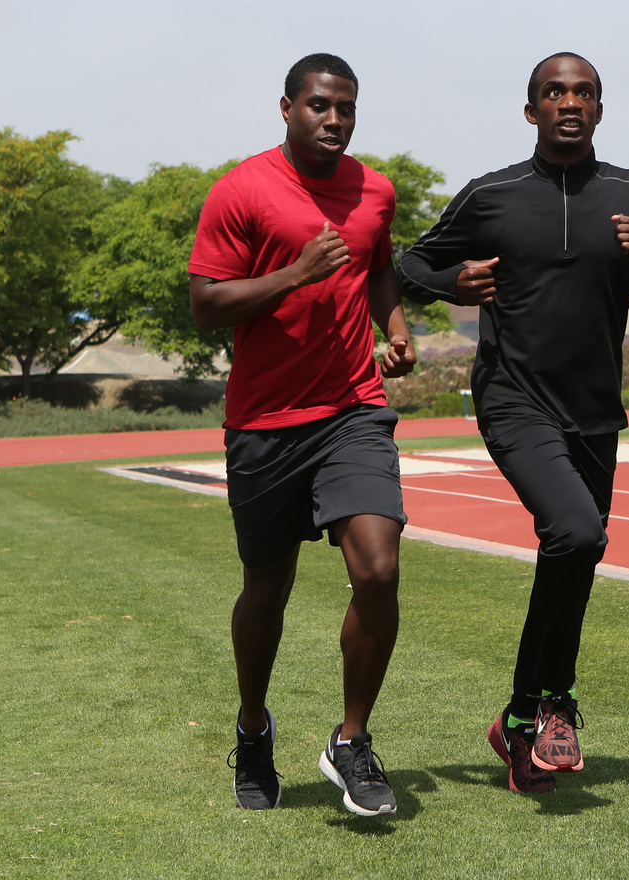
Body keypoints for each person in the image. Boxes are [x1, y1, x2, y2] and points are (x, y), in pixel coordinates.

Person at [398, 51, 629, 794]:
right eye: (554, 92)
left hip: (595, 411)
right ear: (531, 111)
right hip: (513, 398)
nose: (570, 102)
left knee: (576, 554)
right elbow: (406, 264)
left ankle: (524, 720)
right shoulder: (492, 196)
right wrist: (452, 282)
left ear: (600, 109)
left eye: (584, 92)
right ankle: (551, 704)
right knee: (575, 531)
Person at [188, 53, 415, 816]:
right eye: (320, 106)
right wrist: (295, 273)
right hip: (264, 423)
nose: (335, 121)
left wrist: (395, 324)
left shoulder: (375, 190)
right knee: (267, 588)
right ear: (286, 107)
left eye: (346, 108)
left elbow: (380, 266)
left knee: (378, 570)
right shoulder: (241, 189)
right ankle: (253, 728)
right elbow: (206, 304)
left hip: (353, 407)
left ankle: (351, 742)